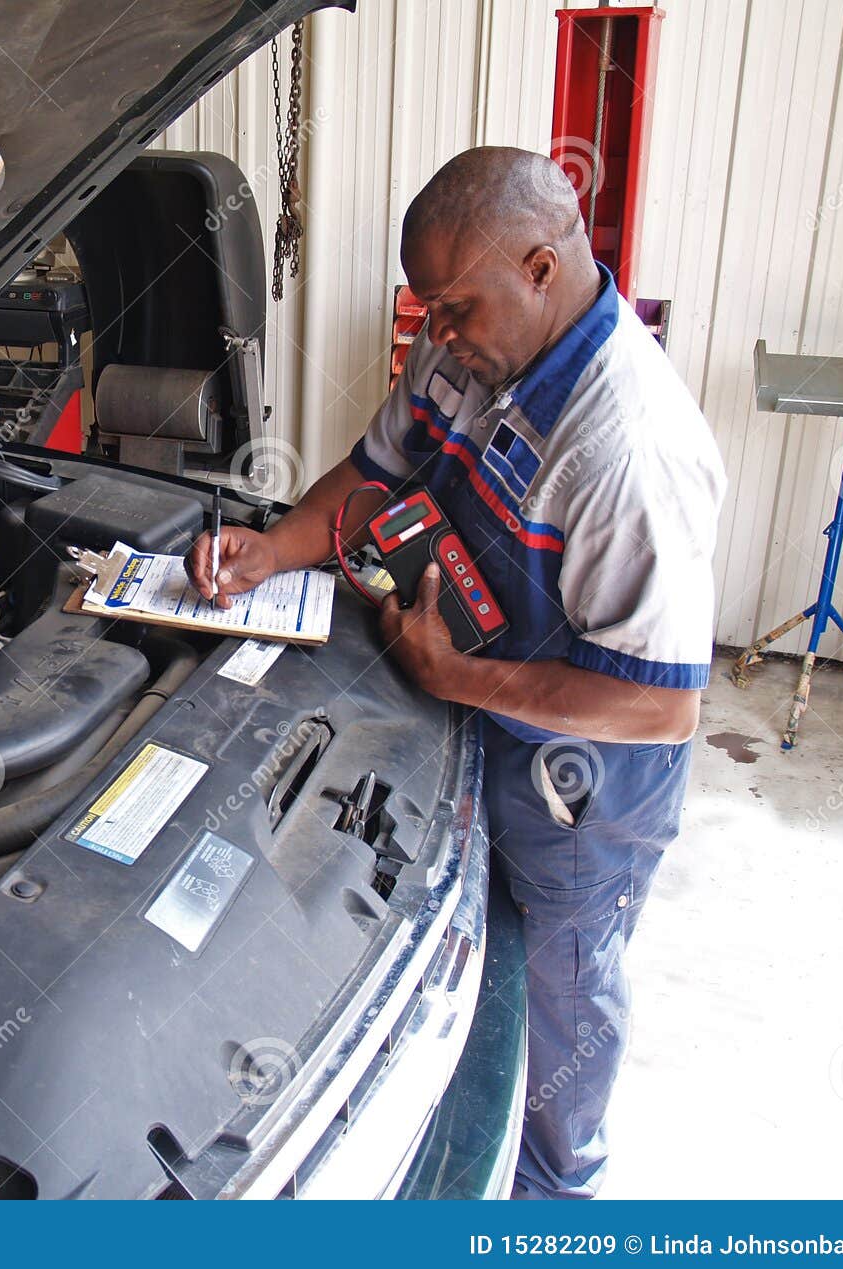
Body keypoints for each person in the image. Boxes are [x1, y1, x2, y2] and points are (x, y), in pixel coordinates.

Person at [188, 146, 725, 1199]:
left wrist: (457, 681)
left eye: (455, 307)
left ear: (539, 267)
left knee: (567, 988)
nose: (435, 334)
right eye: (425, 306)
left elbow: (661, 703)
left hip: (583, 791)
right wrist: (272, 548)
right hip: (464, 714)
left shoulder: (628, 450)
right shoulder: (462, 351)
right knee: (466, 951)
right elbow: (374, 471)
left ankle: (556, 1194)